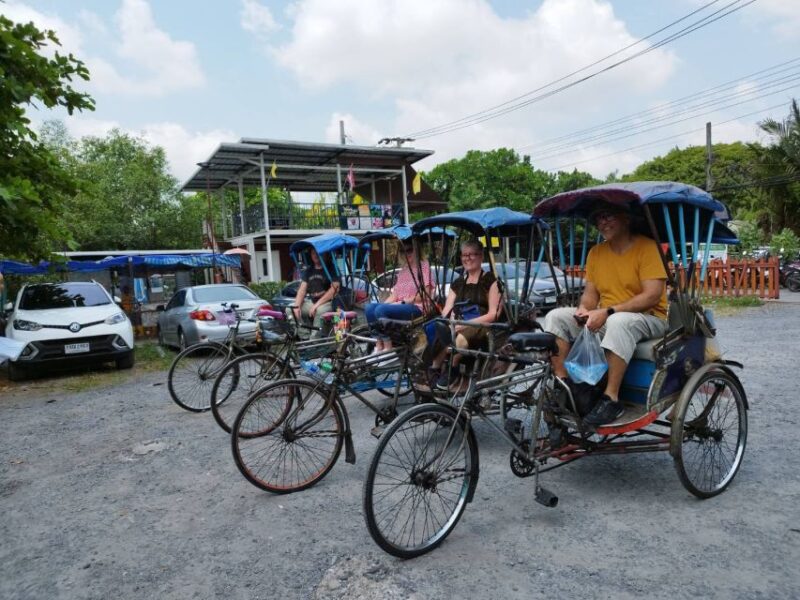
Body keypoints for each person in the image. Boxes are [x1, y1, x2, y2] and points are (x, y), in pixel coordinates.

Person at [543, 202, 668, 427]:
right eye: (599, 218)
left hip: (650, 317)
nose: (603, 222)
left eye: (609, 216)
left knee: (619, 321)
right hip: (609, 315)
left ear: (626, 218)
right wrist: (584, 309)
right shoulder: (596, 253)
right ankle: (564, 386)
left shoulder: (647, 247)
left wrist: (608, 311)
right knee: (556, 317)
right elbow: (590, 295)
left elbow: (652, 295)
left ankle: (611, 398)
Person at [429, 240, 502, 390]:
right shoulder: (458, 283)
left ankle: (452, 369)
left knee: (460, 339)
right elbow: (447, 309)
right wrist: (449, 321)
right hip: (459, 322)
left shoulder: (490, 280)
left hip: (481, 324)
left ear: (481, 256)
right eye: (464, 255)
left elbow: (493, 314)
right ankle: (434, 369)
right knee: (434, 328)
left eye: (471, 255)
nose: (467, 258)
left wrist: (466, 324)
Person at [365, 241, 433, 357]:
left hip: (417, 307)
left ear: (416, 250)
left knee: (380, 310)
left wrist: (407, 300)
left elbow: (426, 292)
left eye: (410, 250)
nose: (407, 253)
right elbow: (395, 294)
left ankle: (388, 349)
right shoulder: (403, 271)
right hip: (401, 305)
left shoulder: (424, 266)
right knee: (370, 308)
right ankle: (379, 345)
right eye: (403, 251)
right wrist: (383, 305)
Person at [291, 249, 340, 337]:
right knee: (290, 310)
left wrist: (316, 305)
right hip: (312, 302)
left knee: (320, 311)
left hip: (329, 302)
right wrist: (297, 307)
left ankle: (314, 343)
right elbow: (302, 289)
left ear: (325, 254)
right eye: (313, 253)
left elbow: (334, 289)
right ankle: (305, 337)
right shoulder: (309, 270)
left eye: (318, 253)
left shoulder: (332, 268)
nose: (315, 255)